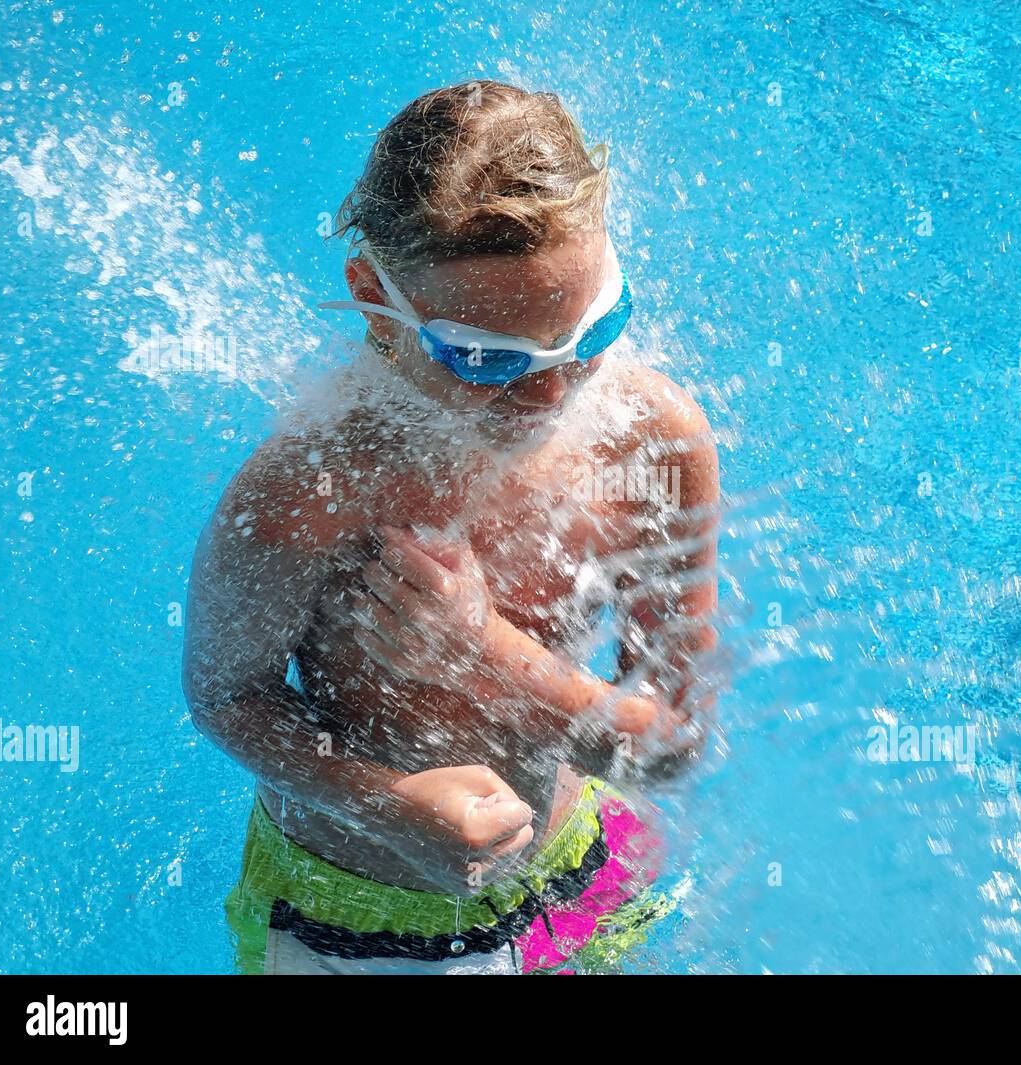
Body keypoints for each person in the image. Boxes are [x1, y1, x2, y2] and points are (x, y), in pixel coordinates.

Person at [182, 80, 720, 973]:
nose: (551, 393)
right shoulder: (307, 494)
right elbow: (226, 697)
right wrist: (382, 802)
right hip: (358, 920)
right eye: (485, 357)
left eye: (592, 330)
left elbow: (670, 746)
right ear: (373, 298)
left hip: (575, 869)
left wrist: (484, 650)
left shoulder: (655, 441)